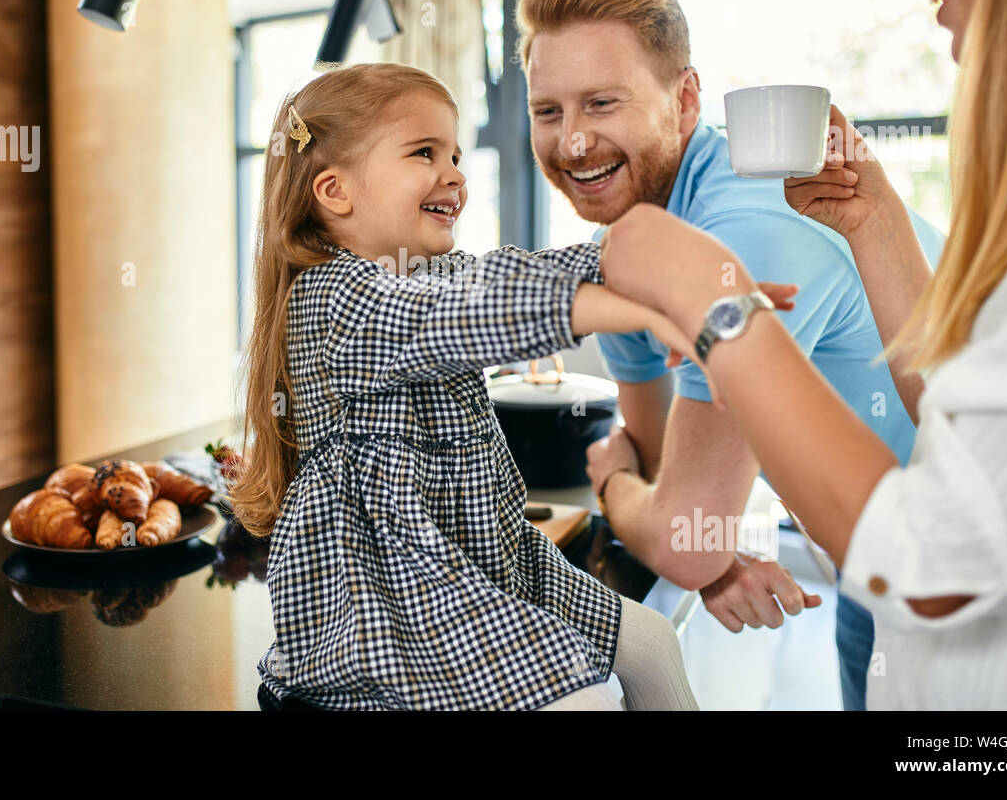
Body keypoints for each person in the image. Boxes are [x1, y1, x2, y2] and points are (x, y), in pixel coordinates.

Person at [597, 0, 1007, 709]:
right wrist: (876, 222)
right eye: (546, 108)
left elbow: (932, 563)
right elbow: (966, 410)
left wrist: (722, 310)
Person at [234, 62, 782, 710]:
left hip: (481, 559)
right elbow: (470, 317)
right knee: (585, 698)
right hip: (385, 603)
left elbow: (509, 276)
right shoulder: (333, 300)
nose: (456, 174)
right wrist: (655, 310)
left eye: (457, 155)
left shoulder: (434, 273)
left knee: (653, 641)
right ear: (335, 191)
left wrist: (656, 273)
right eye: (424, 152)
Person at [517, 0, 945, 710]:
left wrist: (617, 485)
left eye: (602, 103)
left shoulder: (745, 223)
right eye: (547, 111)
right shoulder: (635, 241)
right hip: (872, 566)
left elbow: (674, 519)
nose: (573, 143)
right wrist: (693, 540)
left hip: (962, 574)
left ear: (684, 101)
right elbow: (666, 469)